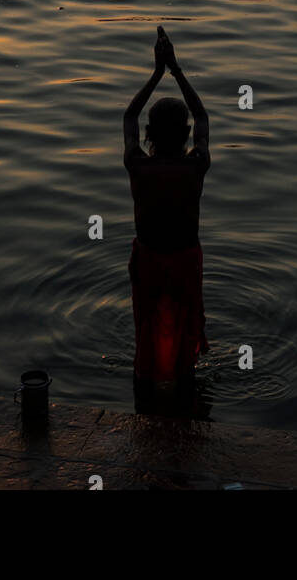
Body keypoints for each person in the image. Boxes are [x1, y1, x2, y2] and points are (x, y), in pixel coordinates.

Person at [123, 27, 210, 386]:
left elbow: (128, 118)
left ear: (149, 135)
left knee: (147, 326)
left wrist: (156, 72)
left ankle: (147, 386)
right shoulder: (196, 165)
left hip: (150, 260)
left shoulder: (138, 165)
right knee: (186, 324)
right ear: (187, 133)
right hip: (185, 259)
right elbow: (204, 118)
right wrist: (176, 69)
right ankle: (184, 380)